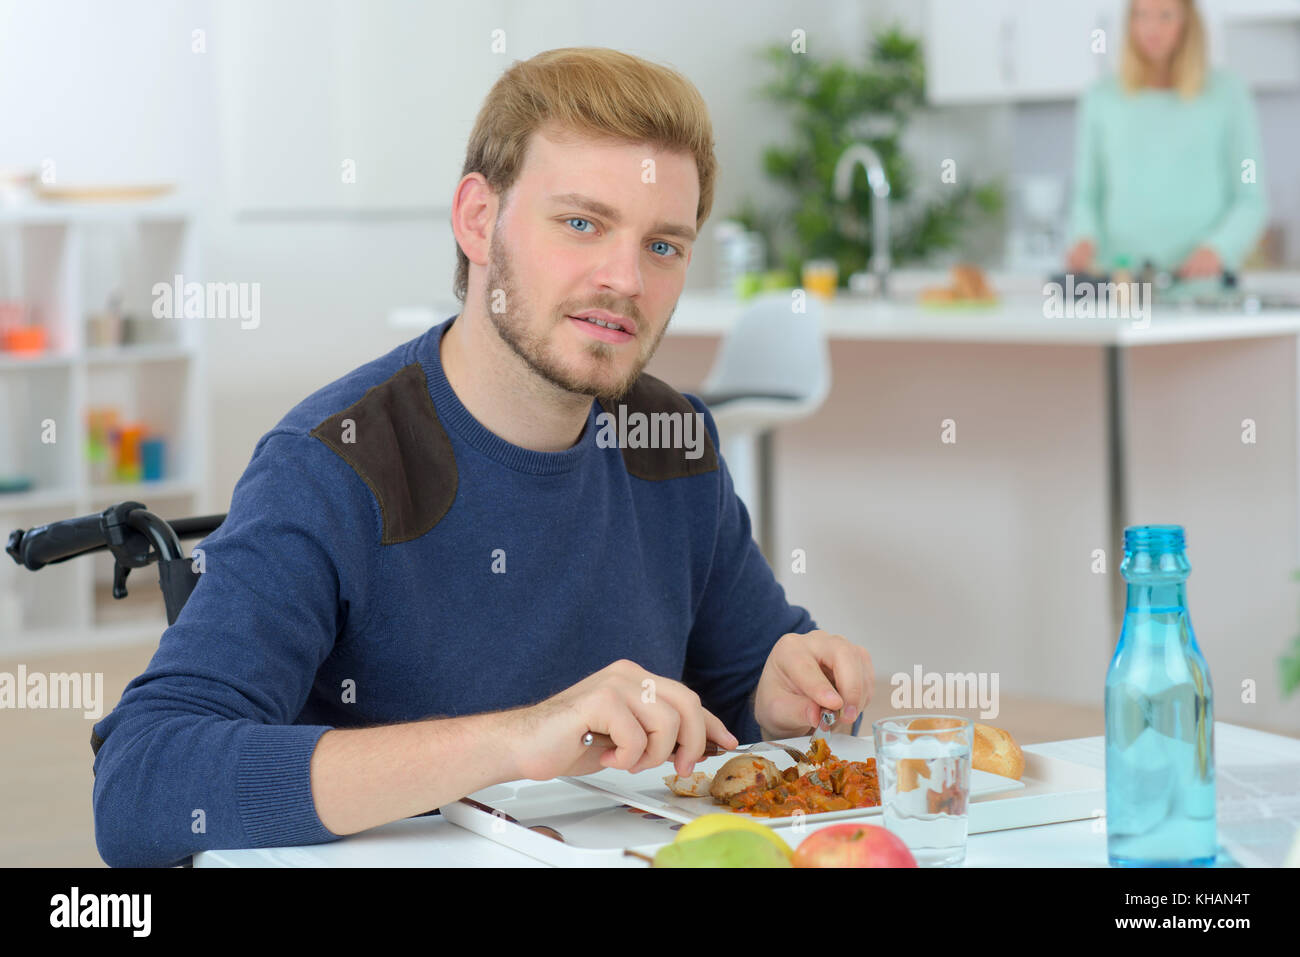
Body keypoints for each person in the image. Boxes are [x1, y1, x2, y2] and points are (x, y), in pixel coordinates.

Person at [90, 47, 874, 867]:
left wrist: (783, 695)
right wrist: (516, 739)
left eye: (664, 246)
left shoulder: (671, 441)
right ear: (476, 220)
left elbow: (749, 682)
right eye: (581, 223)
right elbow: (143, 781)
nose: (625, 279)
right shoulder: (333, 464)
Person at [1065, 0, 1267, 278]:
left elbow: (1249, 195)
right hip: (1123, 286)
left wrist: (1219, 248)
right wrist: (1084, 237)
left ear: (1188, 23)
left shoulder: (1229, 96)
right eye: (1141, 15)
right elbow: (1086, 194)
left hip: (1203, 289)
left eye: (1165, 16)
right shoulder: (1101, 99)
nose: (1151, 28)